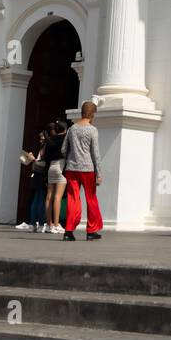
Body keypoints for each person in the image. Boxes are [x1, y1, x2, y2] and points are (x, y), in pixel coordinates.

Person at [61, 102, 103, 242]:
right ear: (92, 114)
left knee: (73, 199)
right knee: (91, 199)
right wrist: (99, 173)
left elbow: (63, 149)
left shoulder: (72, 129)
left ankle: (68, 231)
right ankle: (91, 231)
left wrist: (71, 157)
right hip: (87, 169)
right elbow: (95, 153)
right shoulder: (92, 130)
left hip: (72, 169)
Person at [17, 130, 49, 232]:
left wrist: (33, 159)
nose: (40, 140)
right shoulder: (44, 148)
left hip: (39, 175)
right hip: (40, 175)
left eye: (42, 137)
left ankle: (33, 223)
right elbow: (43, 163)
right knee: (39, 199)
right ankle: (37, 223)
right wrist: (33, 159)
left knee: (38, 199)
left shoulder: (45, 147)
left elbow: (42, 163)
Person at [43, 120, 67, 234]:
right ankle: (57, 225)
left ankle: (49, 224)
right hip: (60, 166)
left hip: (51, 167)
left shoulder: (50, 140)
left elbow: (46, 157)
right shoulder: (65, 139)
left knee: (49, 197)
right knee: (58, 197)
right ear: (65, 129)